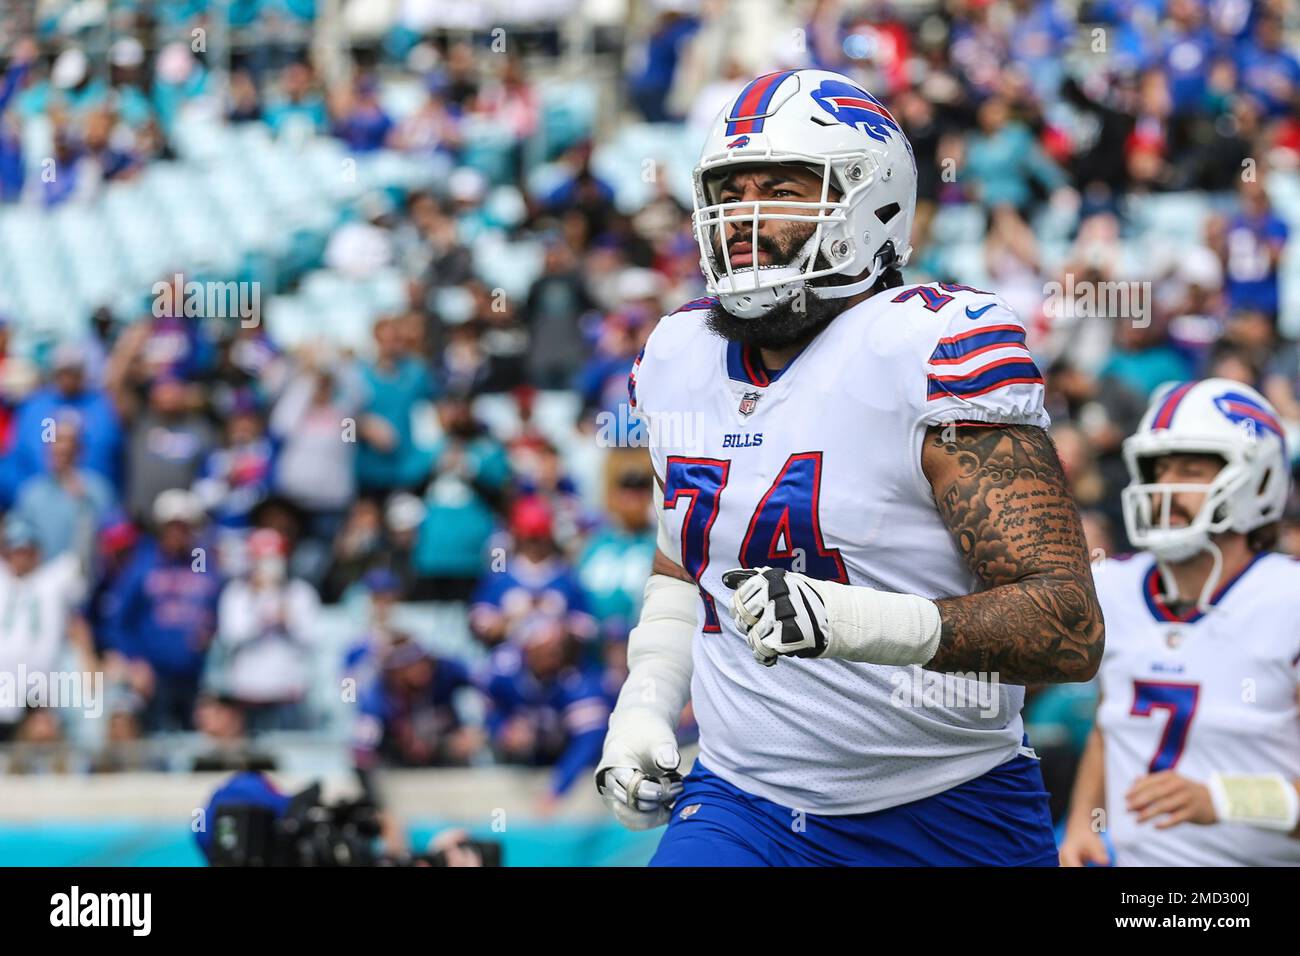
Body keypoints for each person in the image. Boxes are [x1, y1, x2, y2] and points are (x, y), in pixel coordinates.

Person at [595, 69, 1104, 866]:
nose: (742, 218)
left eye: (784, 189)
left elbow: (1066, 627)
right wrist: (646, 703)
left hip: (947, 804)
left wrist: (851, 624)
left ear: (874, 206)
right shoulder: (674, 355)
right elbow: (681, 561)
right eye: (728, 192)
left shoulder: (932, 349)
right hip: (741, 803)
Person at [1060, 379, 1300, 866]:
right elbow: (1113, 722)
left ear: (1257, 481)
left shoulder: (1286, 599)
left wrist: (1225, 800)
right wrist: (1086, 819)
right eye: (1158, 469)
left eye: (1190, 470)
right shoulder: (1115, 587)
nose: (1165, 489)